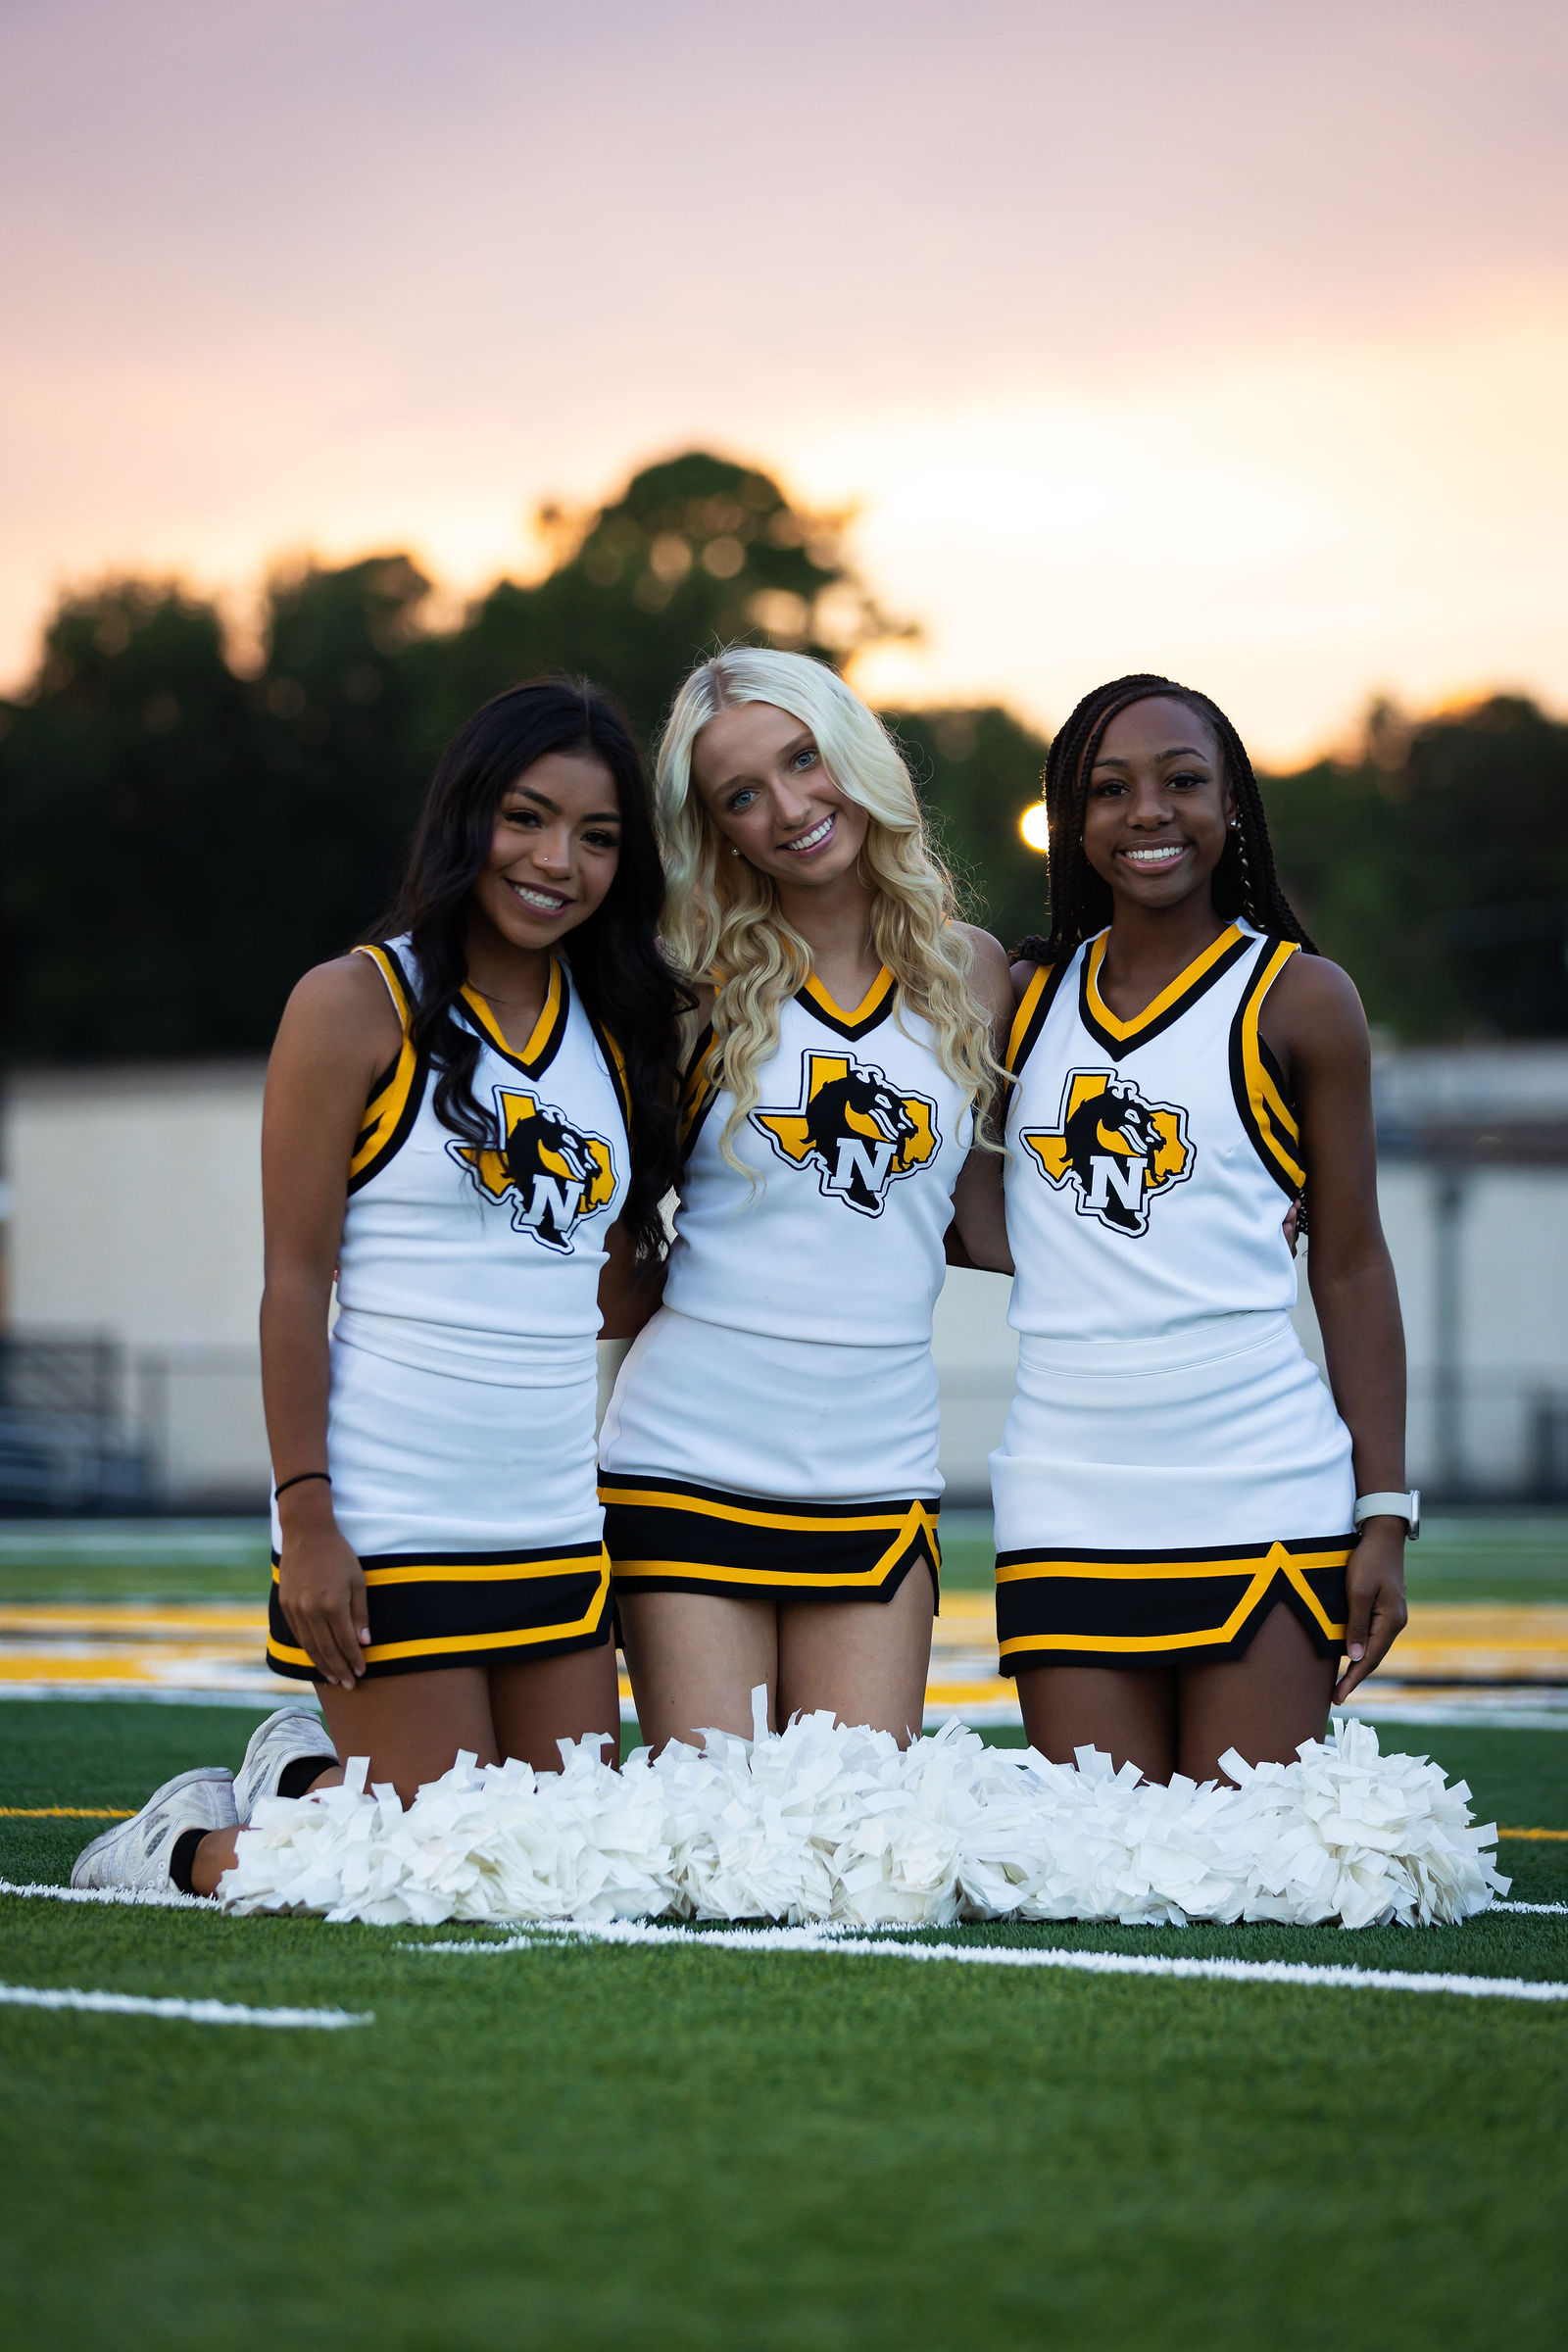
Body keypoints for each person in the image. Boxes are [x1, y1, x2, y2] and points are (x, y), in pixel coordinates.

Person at [73, 678, 682, 1899]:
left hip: (555, 1526)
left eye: (598, 836)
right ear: (468, 816)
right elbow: (293, 1282)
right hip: (394, 1521)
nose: (558, 860)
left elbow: (606, 1290)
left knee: (575, 1862)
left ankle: (303, 1780)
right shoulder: (355, 1004)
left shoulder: (619, 1028)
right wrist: (308, 1522)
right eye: (527, 817)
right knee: (437, 1867)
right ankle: (176, 1851)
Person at [984, 672, 1410, 1785]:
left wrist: (1382, 1515)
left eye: (1182, 782)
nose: (1148, 814)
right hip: (1066, 1475)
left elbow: (1353, 1264)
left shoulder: (1301, 999)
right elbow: (928, 1199)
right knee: (1094, 1867)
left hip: (1258, 1474)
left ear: (1233, 809)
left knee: (1245, 1860)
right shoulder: (1017, 999)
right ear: (1071, 823)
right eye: (1108, 789)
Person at [597, 647, 1012, 1751]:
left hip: (878, 1466)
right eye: (742, 794)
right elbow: (609, 1224)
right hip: (690, 1454)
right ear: (715, 827)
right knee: (725, 1842)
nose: (788, 808)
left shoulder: (970, 974)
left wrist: (1227, 1201)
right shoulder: (682, 982)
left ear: (857, 758)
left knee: (861, 1850)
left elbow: (982, 1221)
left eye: (803, 759)